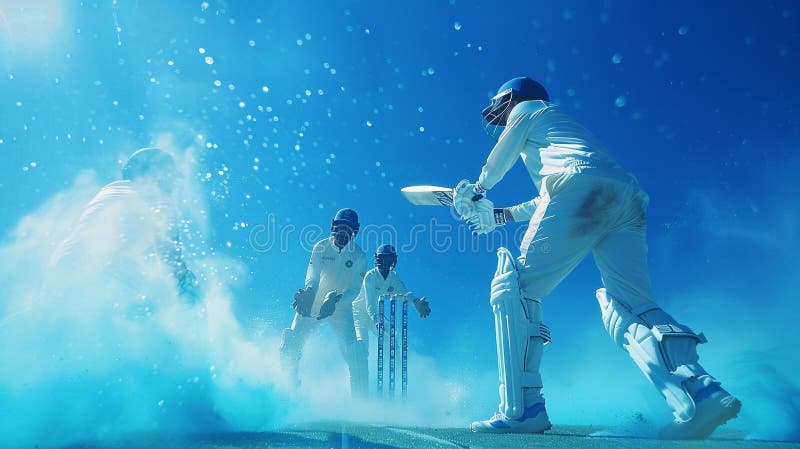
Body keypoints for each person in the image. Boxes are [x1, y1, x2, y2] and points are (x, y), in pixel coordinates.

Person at [453, 77, 740, 438]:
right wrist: (499, 216)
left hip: (581, 187)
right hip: (624, 195)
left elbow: (510, 159)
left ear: (513, 98)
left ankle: (522, 408)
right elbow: (553, 193)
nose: (498, 118)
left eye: (500, 107)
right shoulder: (561, 135)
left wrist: (478, 190)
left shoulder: (528, 109)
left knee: (516, 289)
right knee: (630, 304)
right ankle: (700, 391)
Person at [51, 147, 200, 303]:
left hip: (61, 264)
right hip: (101, 268)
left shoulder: (109, 191)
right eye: (170, 176)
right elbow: (170, 258)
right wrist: (187, 289)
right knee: (162, 304)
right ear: (157, 173)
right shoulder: (157, 199)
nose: (173, 184)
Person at [279, 208, 368, 397]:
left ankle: (362, 405)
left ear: (355, 232)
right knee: (291, 343)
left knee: (355, 353)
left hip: (341, 308)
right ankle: (288, 393)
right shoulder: (321, 247)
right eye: (339, 229)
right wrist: (309, 292)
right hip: (313, 303)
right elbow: (313, 277)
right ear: (332, 227)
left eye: (348, 231)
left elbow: (355, 290)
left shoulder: (359, 256)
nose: (343, 235)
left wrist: (336, 300)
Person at [350, 244, 431, 397]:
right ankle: (360, 393)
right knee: (361, 348)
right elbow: (370, 305)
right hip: (360, 315)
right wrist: (376, 319)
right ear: (378, 260)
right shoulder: (370, 276)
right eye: (385, 259)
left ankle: (398, 372)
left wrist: (417, 303)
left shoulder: (393, 277)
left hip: (376, 315)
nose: (388, 263)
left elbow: (405, 293)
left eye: (391, 260)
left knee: (392, 340)